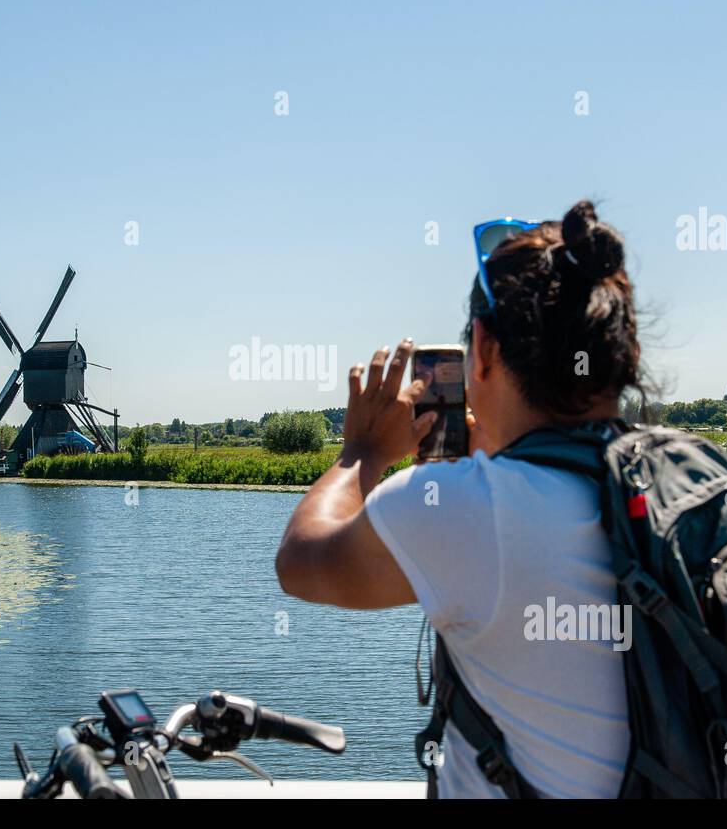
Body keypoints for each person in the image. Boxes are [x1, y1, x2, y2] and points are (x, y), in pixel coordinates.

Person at [274, 200, 640, 798]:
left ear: (484, 347)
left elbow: (300, 562)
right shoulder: (690, 481)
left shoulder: (467, 510)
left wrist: (363, 452)